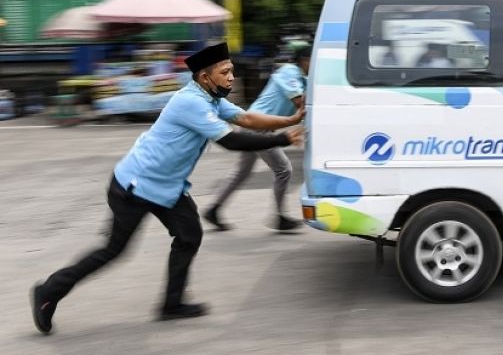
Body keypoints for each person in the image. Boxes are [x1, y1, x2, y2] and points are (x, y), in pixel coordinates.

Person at [30, 43, 304, 335]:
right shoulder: (192, 102)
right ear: (204, 77)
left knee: (189, 235)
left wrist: (287, 120)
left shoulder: (211, 99)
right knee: (114, 250)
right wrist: (282, 139)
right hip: (135, 185)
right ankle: (48, 292)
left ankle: (171, 305)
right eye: (224, 72)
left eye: (232, 71)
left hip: (167, 187)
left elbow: (246, 119)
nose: (231, 78)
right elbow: (231, 141)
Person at [204, 45, 311, 232]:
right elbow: (300, 102)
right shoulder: (289, 72)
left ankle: (213, 209)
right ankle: (279, 217)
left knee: (242, 172)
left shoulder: (304, 78)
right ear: (304, 60)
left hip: (257, 125)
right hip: (257, 126)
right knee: (283, 169)